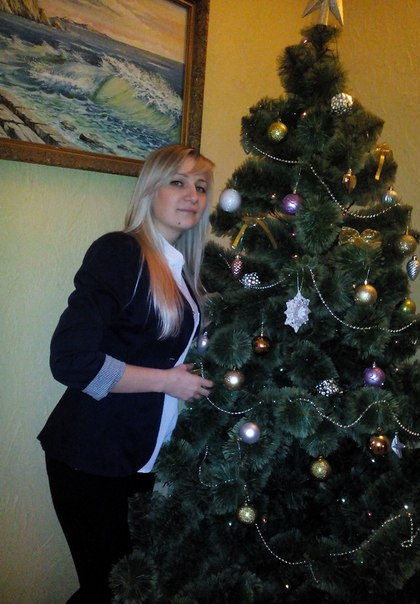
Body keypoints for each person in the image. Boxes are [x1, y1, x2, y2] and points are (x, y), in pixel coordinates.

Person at [38, 144, 215, 603]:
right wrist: (166, 380)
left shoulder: (182, 270)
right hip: (91, 457)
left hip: (140, 458)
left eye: (201, 186)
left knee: (129, 586)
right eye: (178, 182)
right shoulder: (120, 253)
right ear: (150, 190)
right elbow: (70, 359)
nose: (193, 195)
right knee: (109, 590)